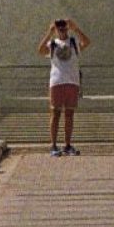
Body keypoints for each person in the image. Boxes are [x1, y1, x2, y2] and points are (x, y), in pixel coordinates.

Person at [37, 16, 90, 156]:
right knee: (55, 114)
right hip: (57, 82)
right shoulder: (52, 44)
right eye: (59, 27)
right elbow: (41, 50)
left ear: (67, 28)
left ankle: (67, 145)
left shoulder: (73, 42)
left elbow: (87, 42)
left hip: (72, 82)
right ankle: (53, 145)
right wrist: (49, 32)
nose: (62, 29)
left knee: (69, 114)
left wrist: (75, 28)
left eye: (64, 27)